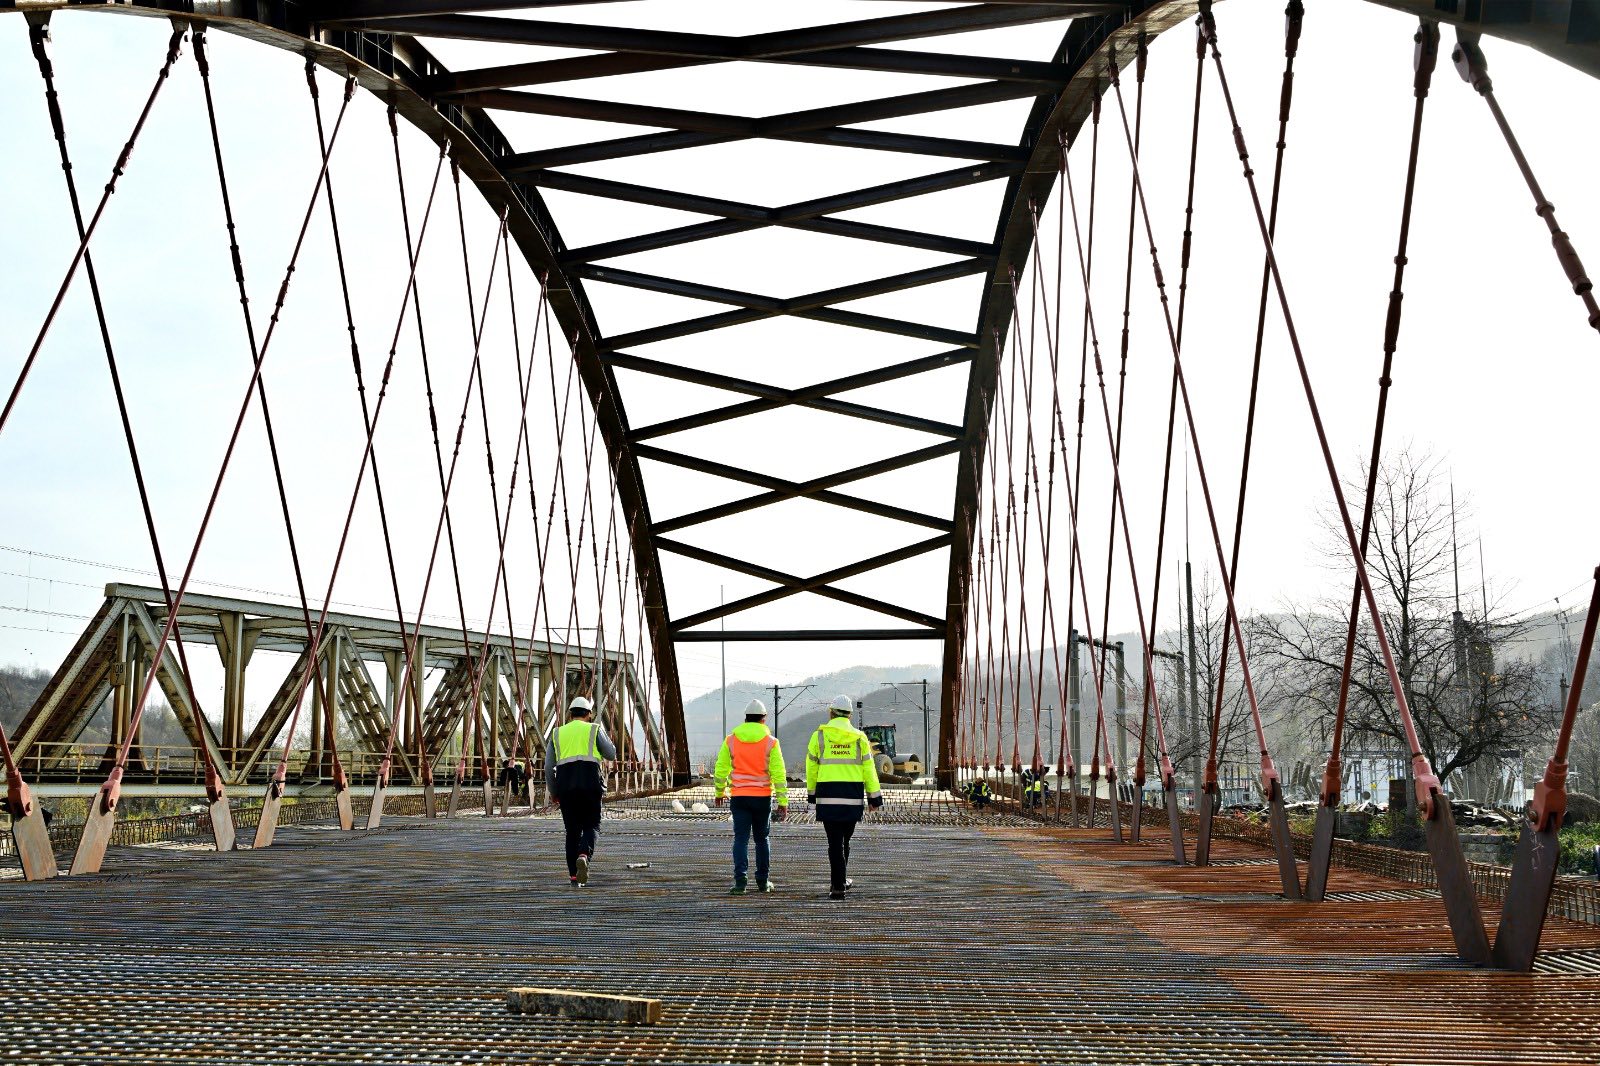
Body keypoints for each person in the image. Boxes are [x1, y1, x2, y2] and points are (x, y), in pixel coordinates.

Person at [806, 695, 882, 900]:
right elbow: (869, 769)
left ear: (831, 712)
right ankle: (839, 882)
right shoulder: (859, 738)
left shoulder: (819, 736)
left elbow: (811, 767)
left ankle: (838, 884)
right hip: (852, 796)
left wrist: (812, 793)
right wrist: (874, 798)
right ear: (849, 714)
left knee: (834, 842)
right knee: (844, 841)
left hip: (828, 796)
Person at [712, 698, 788, 894]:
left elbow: (721, 769)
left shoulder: (731, 740)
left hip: (739, 797)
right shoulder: (771, 742)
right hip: (762, 798)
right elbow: (778, 774)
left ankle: (740, 883)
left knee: (741, 839)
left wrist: (720, 791)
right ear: (764, 719)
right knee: (762, 839)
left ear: (745, 719)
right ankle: (763, 882)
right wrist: (782, 801)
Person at [545, 695, 616, 887]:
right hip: (591, 785)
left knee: (572, 832)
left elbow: (548, 767)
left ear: (570, 714)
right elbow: (611, 753)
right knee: (592, 825)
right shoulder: (594, 729)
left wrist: (554, 792)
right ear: (589, 714)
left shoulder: (557, 733)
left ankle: (574, 878)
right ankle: (584, 854)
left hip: (566, 787)